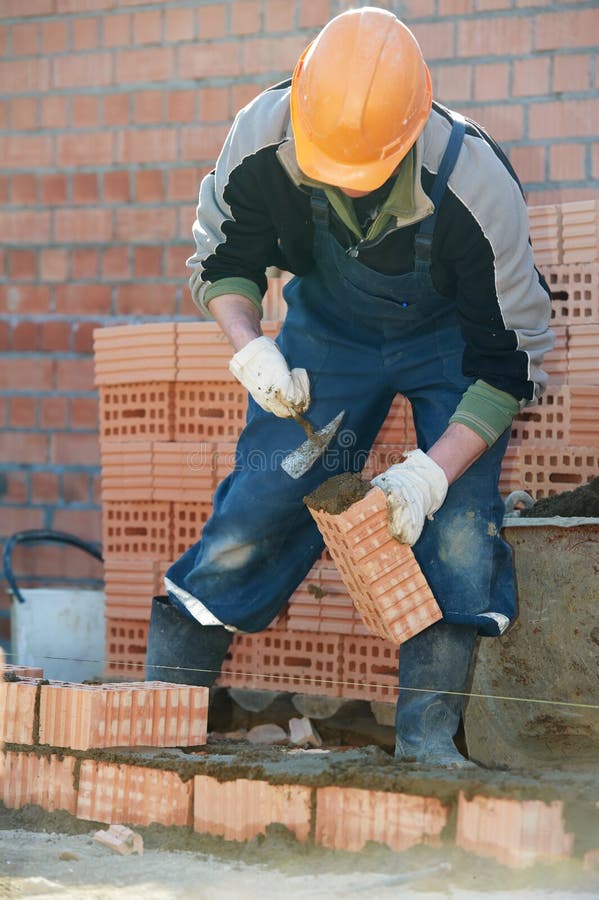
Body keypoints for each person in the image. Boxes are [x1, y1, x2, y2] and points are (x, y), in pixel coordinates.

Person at [146, 7, 553, 767]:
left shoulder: (473, 185)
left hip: (455, 348)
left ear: (404, 141)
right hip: (328, 332)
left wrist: (432, 472)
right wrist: (249, 345)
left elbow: (508, 364)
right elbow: (222, 261)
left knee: (457, 532)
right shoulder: (261, 137)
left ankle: (427, 753)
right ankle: (157, 727)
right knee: (263, 499)